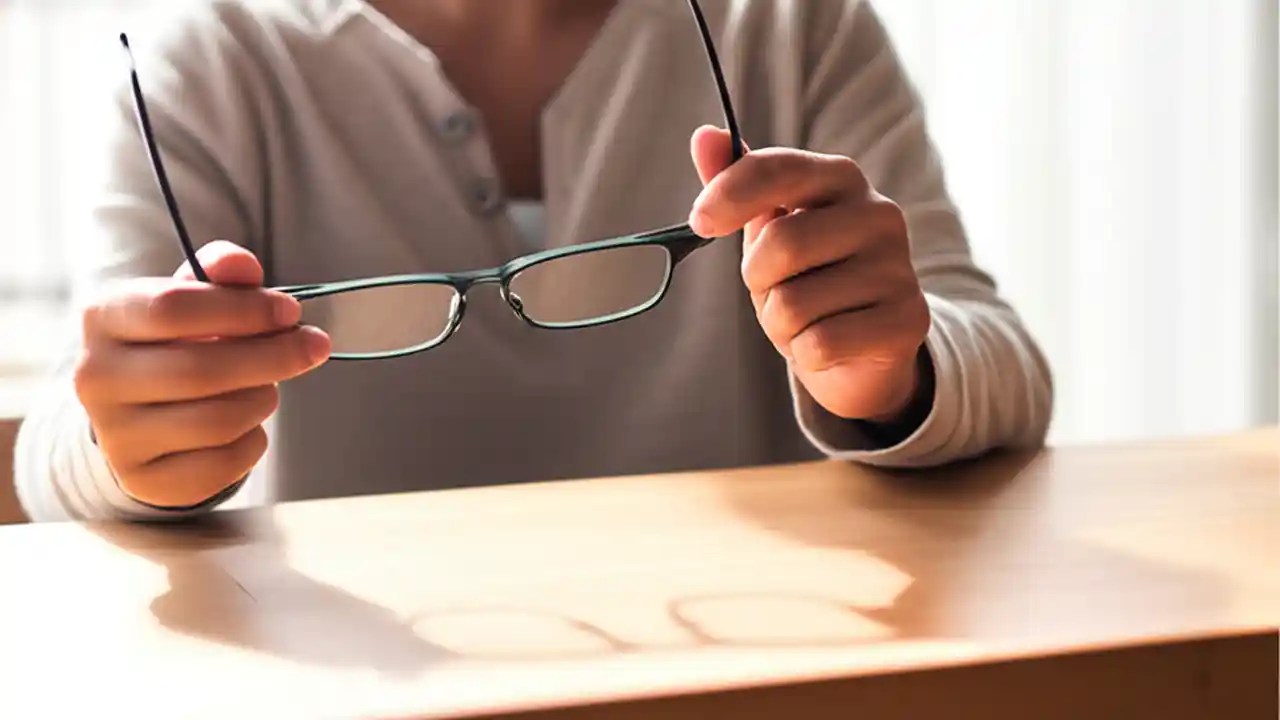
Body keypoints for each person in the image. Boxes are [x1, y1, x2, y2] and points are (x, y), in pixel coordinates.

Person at [15, 0, 1052, 522]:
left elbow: (999, 364)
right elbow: (64, 443)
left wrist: (885, 375)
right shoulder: (213, 57)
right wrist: (130, 439)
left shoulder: (783, 26)